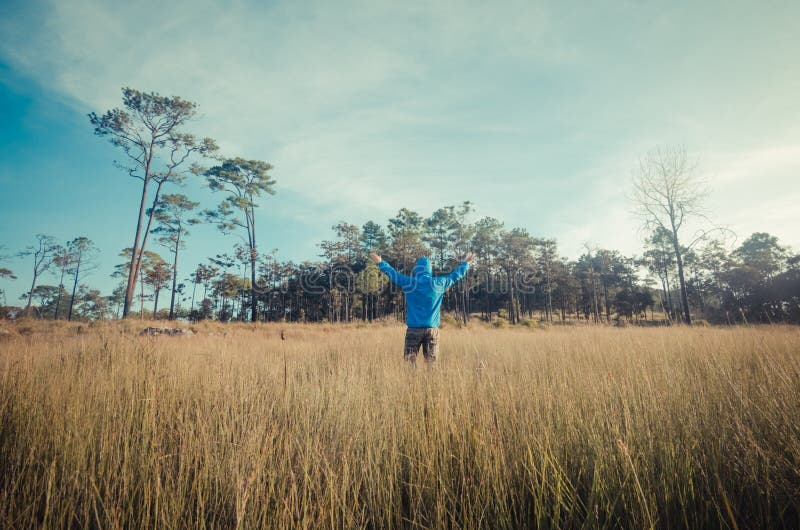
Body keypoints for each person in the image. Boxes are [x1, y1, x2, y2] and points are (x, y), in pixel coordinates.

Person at [369, 252, 475, 363]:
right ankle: (429, 381)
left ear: (416, 269)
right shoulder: (439, 283)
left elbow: (394, 274)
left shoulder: (409, 283)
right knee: (431, 365)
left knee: (409, 365)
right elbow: (455, 276)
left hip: (413, 330)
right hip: (432, 330)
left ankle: (411, 381)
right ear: (430, 269)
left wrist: (380, 262)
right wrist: (466, 263)